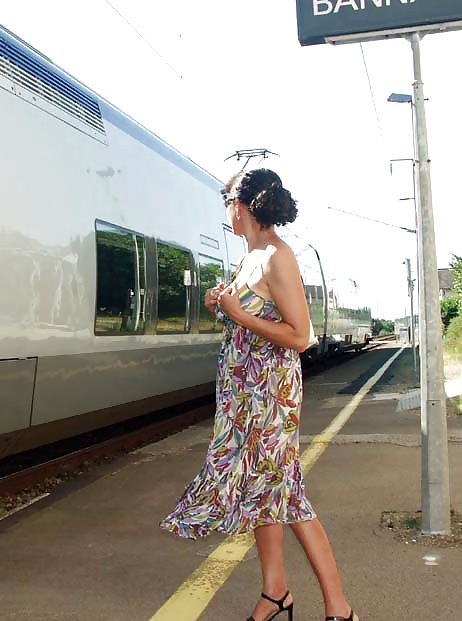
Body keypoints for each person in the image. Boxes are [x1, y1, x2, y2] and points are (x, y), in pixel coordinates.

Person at [160, 169, 359, 621]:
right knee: (260, 490)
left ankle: (340, 609)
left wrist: (240, 316)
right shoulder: (249, 256)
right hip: (243, 394)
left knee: (285, 493)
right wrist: (223, 305)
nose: (226, 212)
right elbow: (250, 316)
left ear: (243, 205)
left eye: (228, 202)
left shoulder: (276, 256)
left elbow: (301, 335)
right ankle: (276, 593)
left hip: (271, 394)